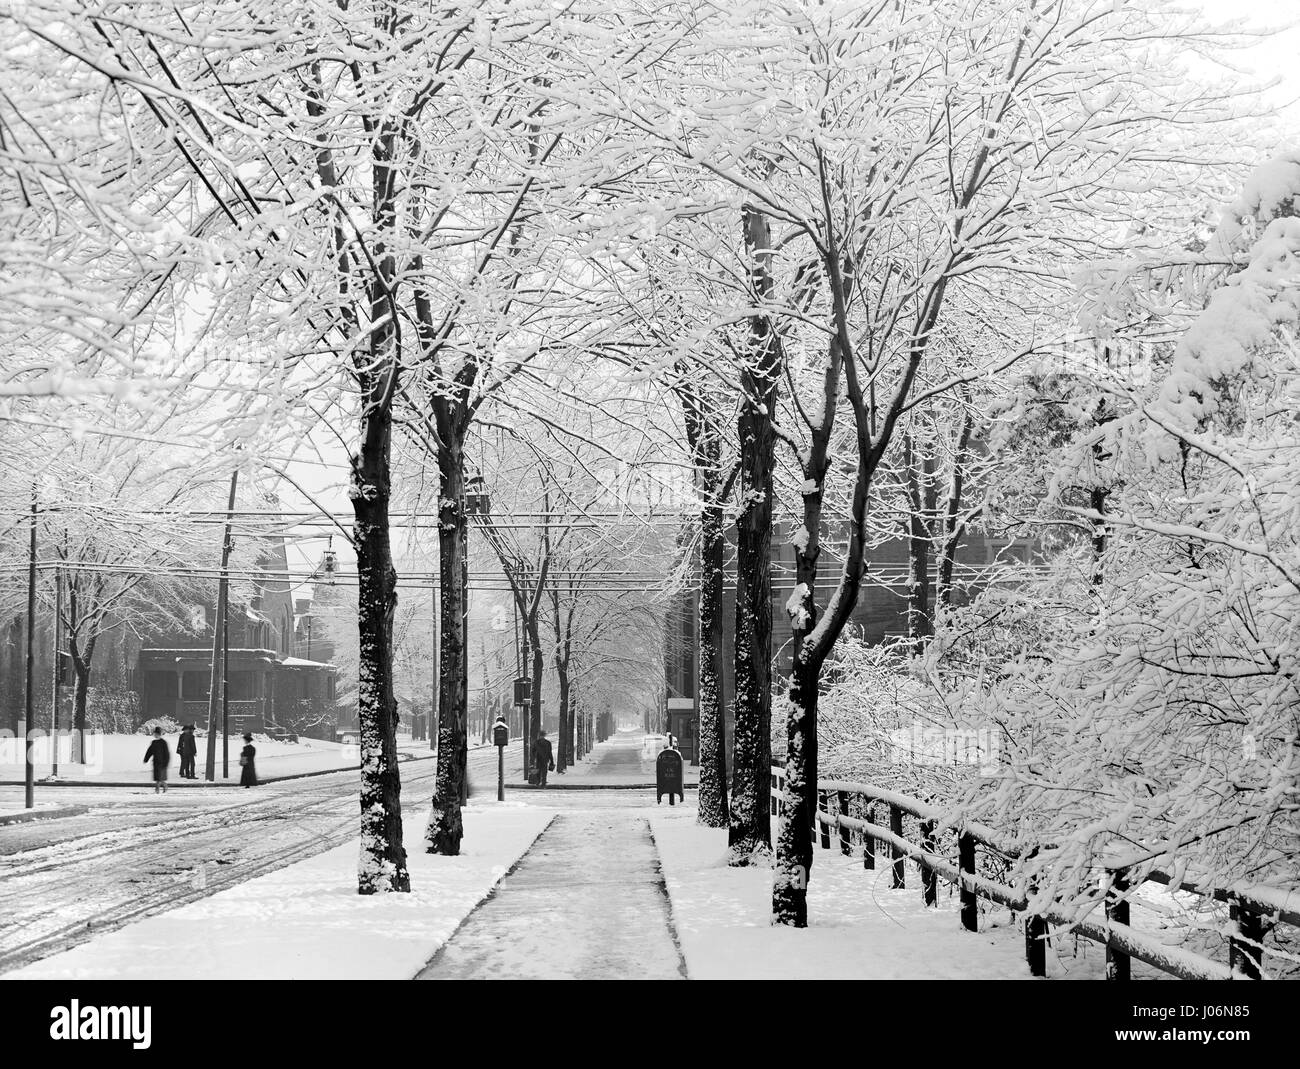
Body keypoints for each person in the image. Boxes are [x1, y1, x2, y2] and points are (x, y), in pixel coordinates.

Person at [143, 726, 170, 794]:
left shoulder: (163, 742)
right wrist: (146, 759)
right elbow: (149, 751)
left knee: (159, 778)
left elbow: (167, 754)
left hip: (162, 763)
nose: (155, 735)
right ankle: (164, 786)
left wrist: (166, 763)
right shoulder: (154, 742)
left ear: (159, 734)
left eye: (157, 734)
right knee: (158, 778)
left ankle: (157, 789)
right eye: (155, 734)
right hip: (156, 762)